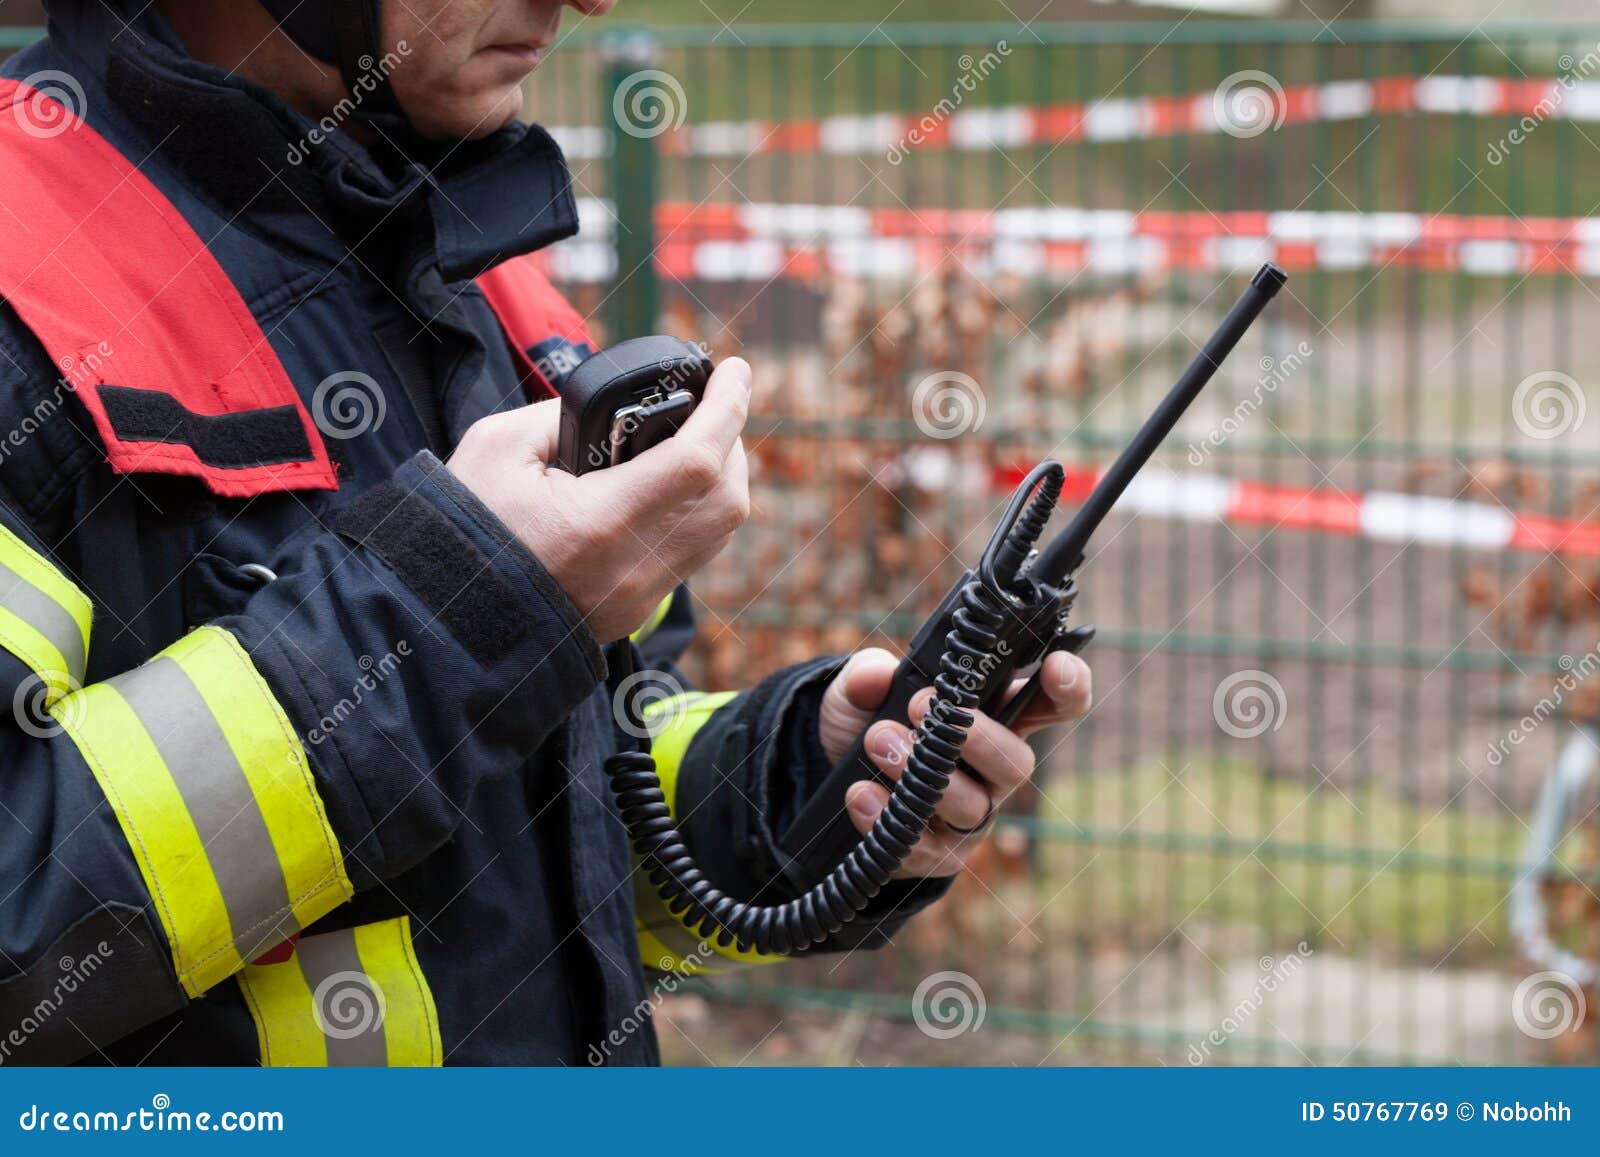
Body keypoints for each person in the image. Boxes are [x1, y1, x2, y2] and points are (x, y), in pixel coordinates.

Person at [0, 0, 1092, 1066]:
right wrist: (455, 606)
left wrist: (799, 782)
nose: (587, 0)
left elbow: (569, 813)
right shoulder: (22, 281)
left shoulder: (471, 275)